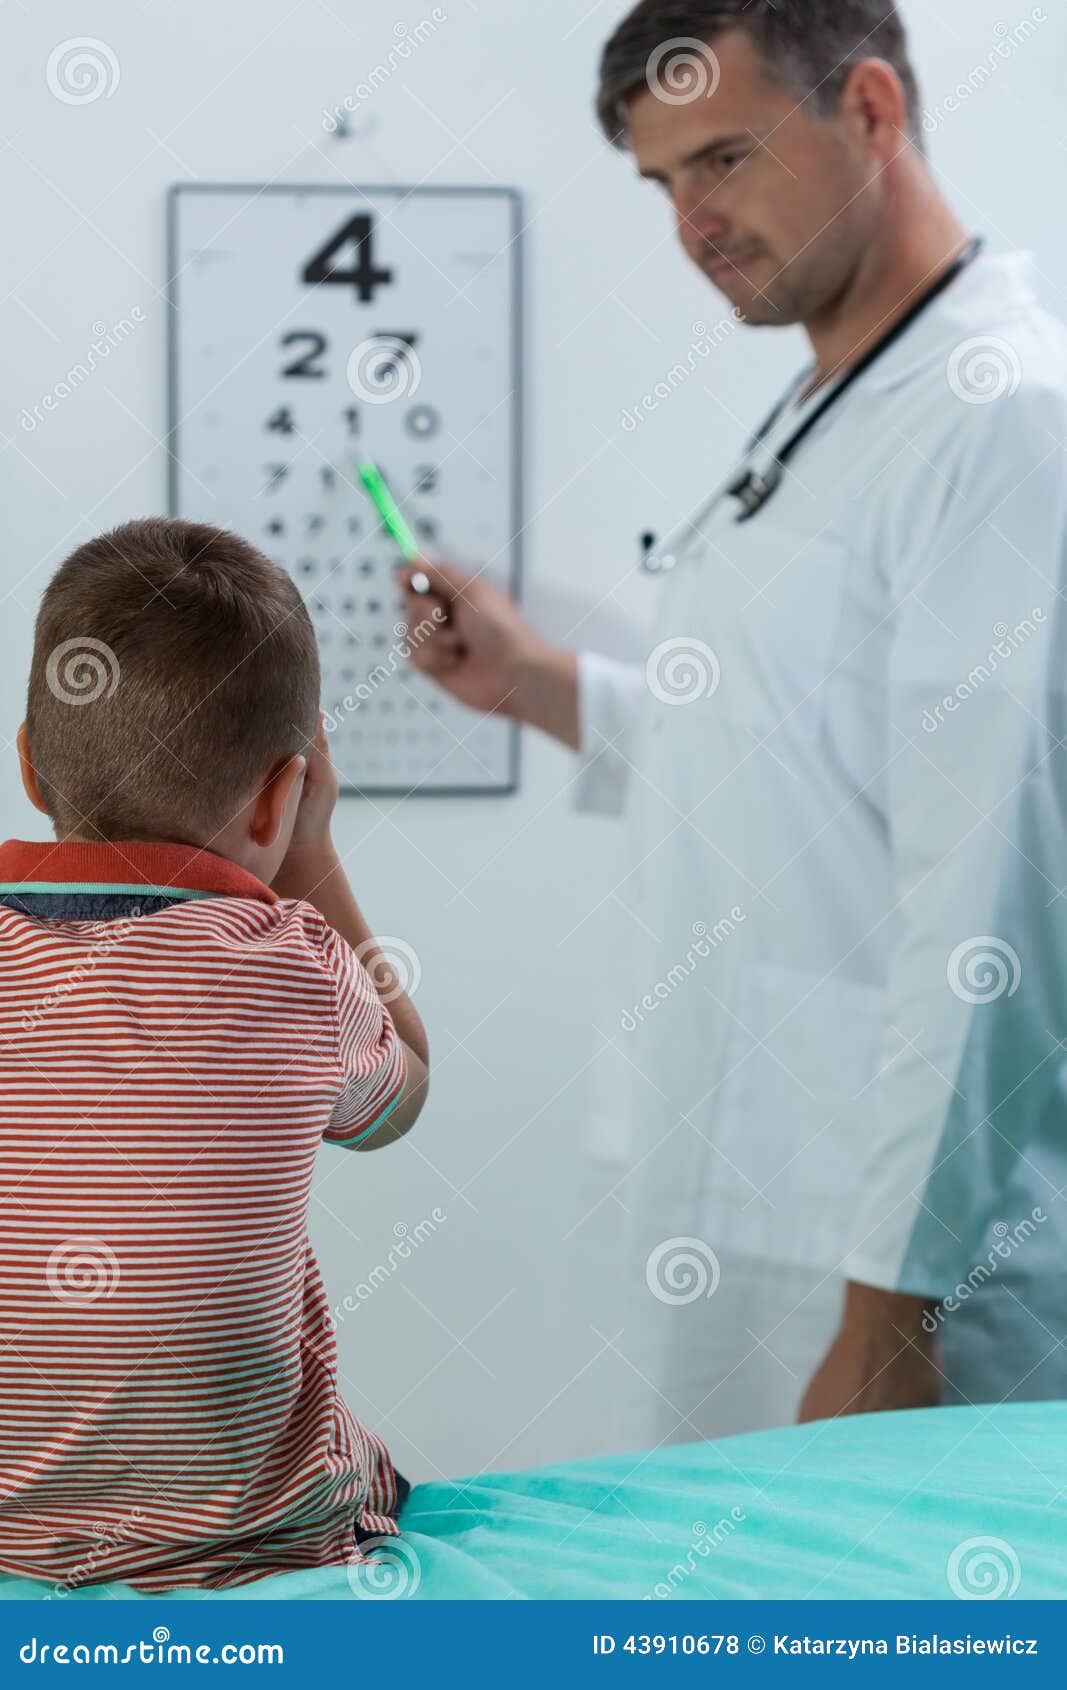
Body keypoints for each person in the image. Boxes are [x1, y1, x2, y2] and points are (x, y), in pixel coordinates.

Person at [401, 0, 1067, 1442]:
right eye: (662, 184)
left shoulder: (997, 421)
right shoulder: (829, 407)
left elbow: (987, 904)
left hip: (901, 1273)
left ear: (871, 111)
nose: (692, 221)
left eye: (722, 159)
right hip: (754, 1208)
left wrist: (893, 1321)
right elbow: (785, 756)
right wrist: (533, 683)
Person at [0, 518, 429, 1591]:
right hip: (249, 1551)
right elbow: (402, 1093)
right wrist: (315, 852)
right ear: (283, 792)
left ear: (28, 767)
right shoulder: (294, 964)